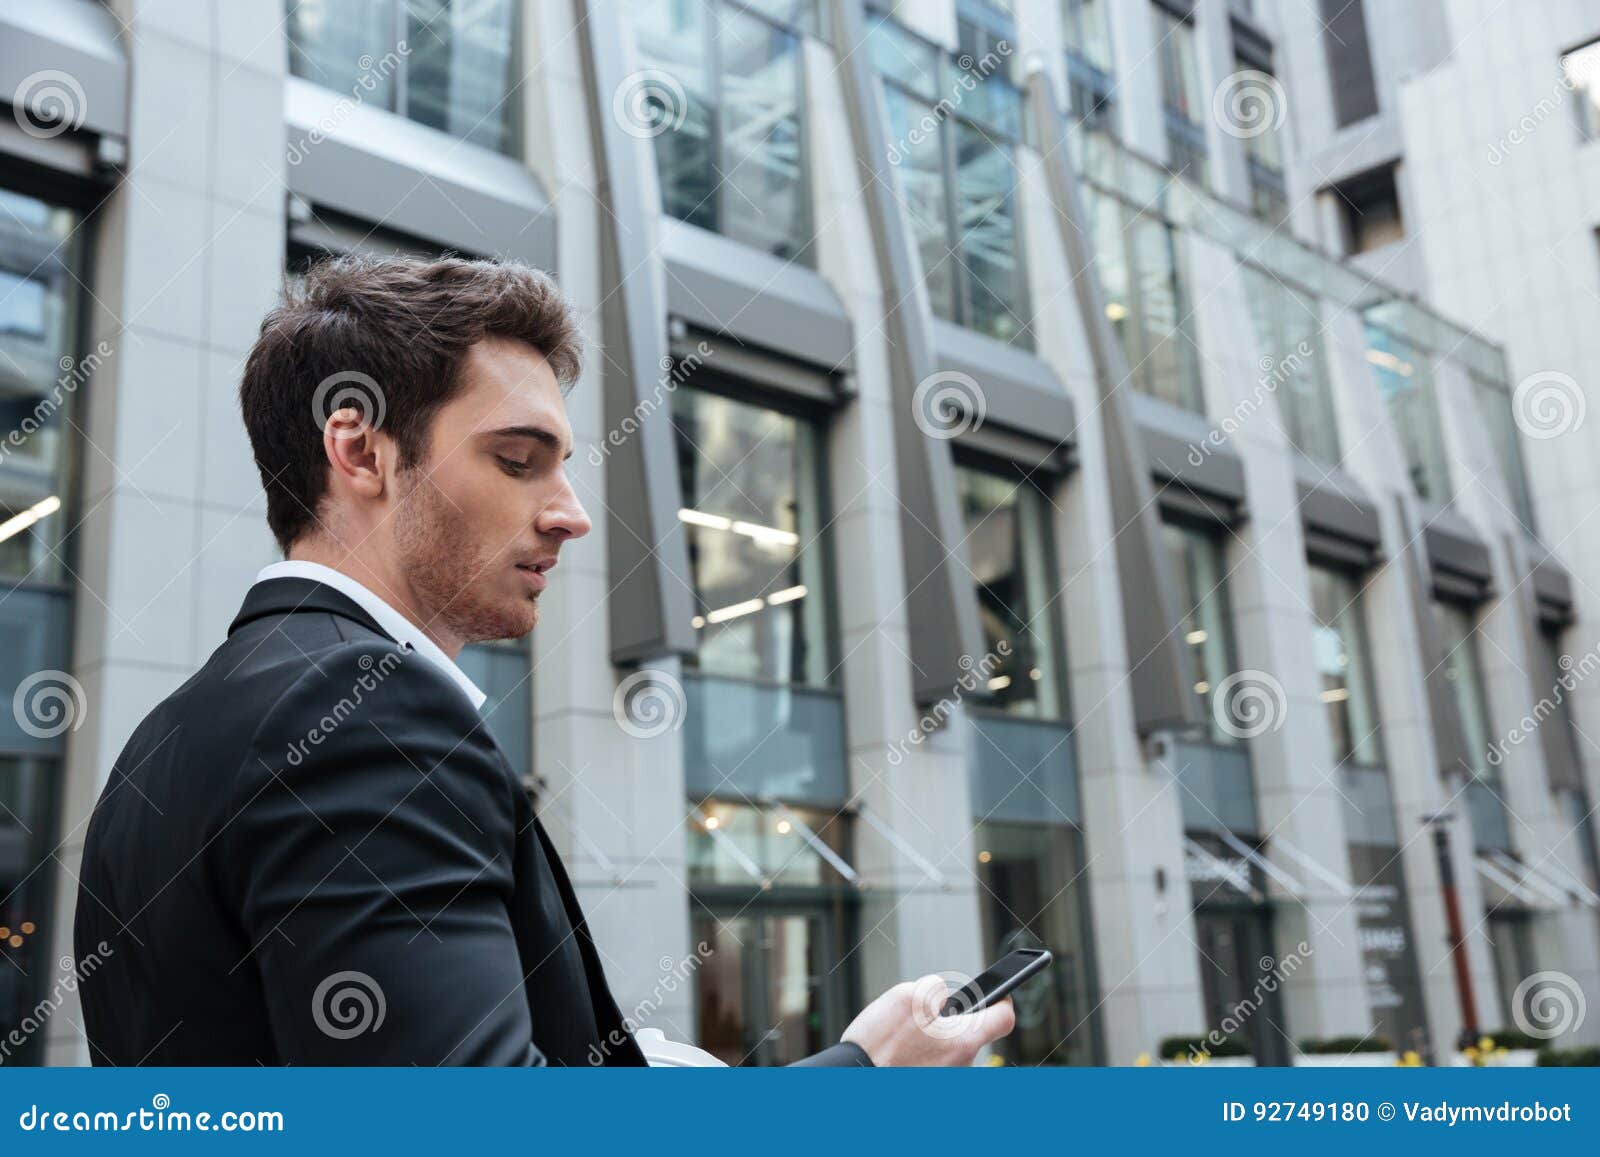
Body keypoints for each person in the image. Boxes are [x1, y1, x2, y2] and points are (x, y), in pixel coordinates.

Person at [73, 256, 1015, 1067]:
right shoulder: (364, 717)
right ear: (358, 448)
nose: (571, 512)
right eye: (518, 459)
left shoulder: (168, 735)